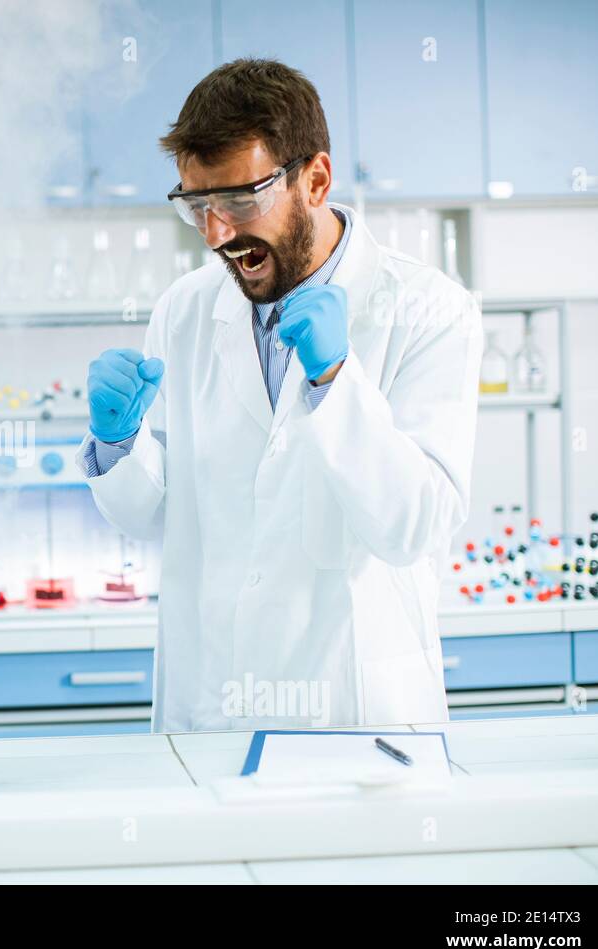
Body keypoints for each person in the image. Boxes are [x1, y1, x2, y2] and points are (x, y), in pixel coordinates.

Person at [79, 59, 482, 732]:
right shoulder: (184, 312)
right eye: (196, 206)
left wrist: (335, 383)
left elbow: (415, 525)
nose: (216, 234)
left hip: (355, 714)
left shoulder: (429, 311)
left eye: (238, 201)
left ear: (315, 180)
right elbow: (161, 518)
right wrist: (119, 443)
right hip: (215, 705)